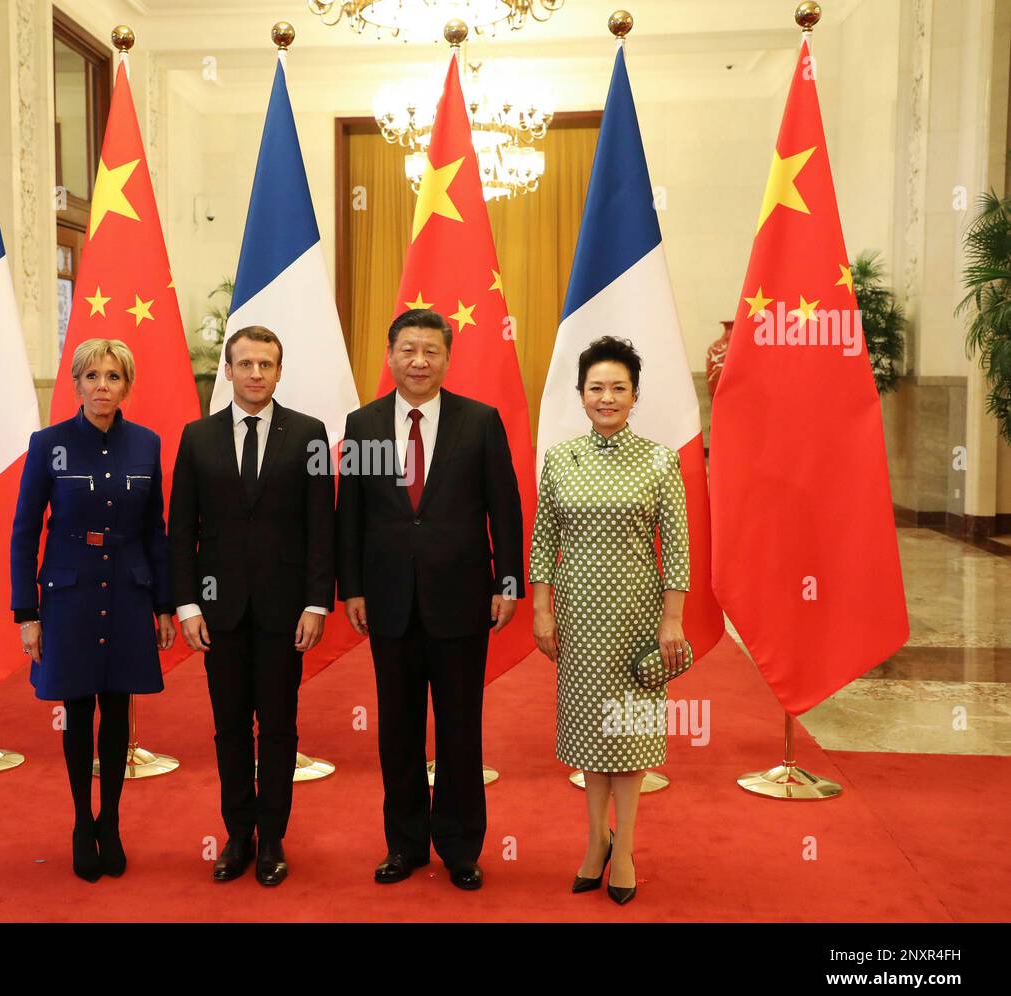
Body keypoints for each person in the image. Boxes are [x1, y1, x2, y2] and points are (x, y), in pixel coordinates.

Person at [337, 308, 523, 891]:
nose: (419, 361)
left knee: (460, 728)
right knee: (397, 730)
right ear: (390, 355)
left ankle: (462, 847)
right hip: (388, 602)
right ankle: (405, 844)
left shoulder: (480, 421)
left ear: (447, 357)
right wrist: (353, 588)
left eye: (431, 351)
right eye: (409, 350)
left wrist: (509, 582)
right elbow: (352, 516)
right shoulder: (363, 425)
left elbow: (506, 510)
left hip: (462, 600)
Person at [168, 325, 334, 887]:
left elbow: (321, 529)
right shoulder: (197, 437)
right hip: (219, 613)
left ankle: (273, 837)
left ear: (279, 371)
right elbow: (180, 531)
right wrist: (186, 605)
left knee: (280, 727)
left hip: (287, 613)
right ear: (230, 371)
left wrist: (318, 603)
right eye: (245, 364)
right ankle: (238, 834)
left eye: (266, 364)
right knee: (230, 726)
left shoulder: (309, 435)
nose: (256, 373)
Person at [529, 335, 689, 905]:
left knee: (630, 736)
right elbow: (543, 539)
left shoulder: (658, 459)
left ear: (635, 394)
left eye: (618, 388)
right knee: (589, 738)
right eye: (596, 387)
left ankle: (624, 851)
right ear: (580, 394)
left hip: (639, 620)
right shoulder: (560, 458)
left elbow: (677, 547)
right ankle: (595, 840)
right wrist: (542, 609)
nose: (607, 397)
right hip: (576, 619)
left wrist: (672, 622)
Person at [10, 338, 175, 883]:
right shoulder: (48, 444)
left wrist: (164, 605)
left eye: (114, 377)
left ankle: (112, 821)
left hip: (127, 591)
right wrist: (26, 612)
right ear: (76, 384)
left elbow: (156, 530)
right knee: (78, 710)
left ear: (127, 385)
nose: (103, 387)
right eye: (93, 377)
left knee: (118, 706)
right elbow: (25, 530)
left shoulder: (146, 444)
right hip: (70, 593)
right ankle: (83, 821)